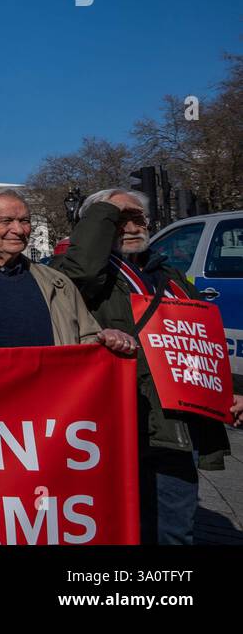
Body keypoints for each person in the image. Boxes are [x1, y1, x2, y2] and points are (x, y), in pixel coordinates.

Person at [52, 188, 231, 544]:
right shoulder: (77, 277)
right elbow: (83, 271)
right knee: (124, 526)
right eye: (118, 221)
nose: (133, 227)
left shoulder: (170, 277)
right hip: (122, 418)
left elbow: (204, 344)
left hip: (176, 424)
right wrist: (103, 211)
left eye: (138, 218)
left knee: (176, 529)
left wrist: (228, 395)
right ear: (96, 226)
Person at [0, 189, 136, 356]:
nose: (19, 230)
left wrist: (105, 339)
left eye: (24, 221)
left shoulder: (57, 283)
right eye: (6, 221)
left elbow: (86, 339)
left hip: (52, 407)